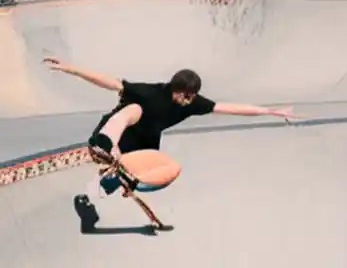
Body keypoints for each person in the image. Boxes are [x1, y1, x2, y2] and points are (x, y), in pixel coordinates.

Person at [42, 57, 295, 228]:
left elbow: (228, 107)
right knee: (135, 109)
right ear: (175, 88)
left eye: (192, 96)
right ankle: (108, 143)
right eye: (185, 95)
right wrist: (72, 69)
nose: (188, 101)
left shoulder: (194, 103)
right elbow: (110, 82)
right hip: (117, 131)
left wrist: (269, 111)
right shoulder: (150, 92)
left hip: (144, 144)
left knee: (143, 174)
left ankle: (103, 185)